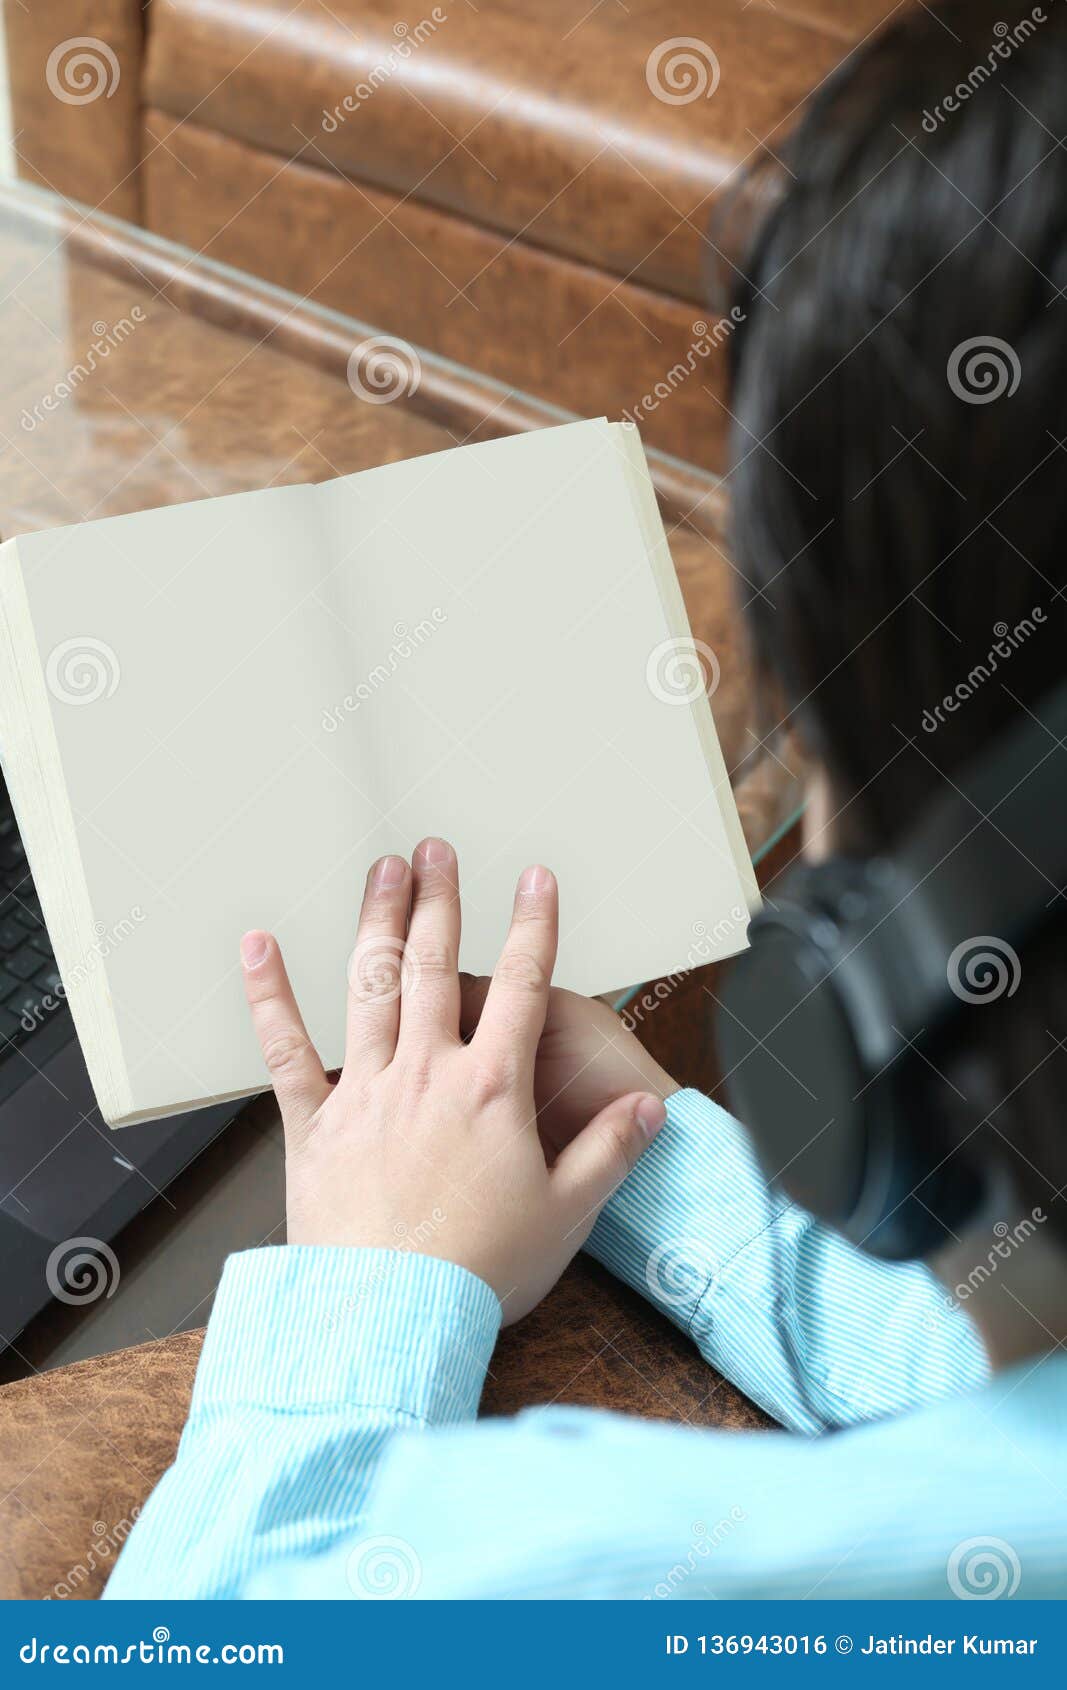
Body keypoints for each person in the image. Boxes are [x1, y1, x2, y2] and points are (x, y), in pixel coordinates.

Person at [105, 0, 1066, 1600]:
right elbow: (995, 1395)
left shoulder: (594, 1569)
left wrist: (373, 1285)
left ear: (886, 953)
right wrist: (650, 1149)